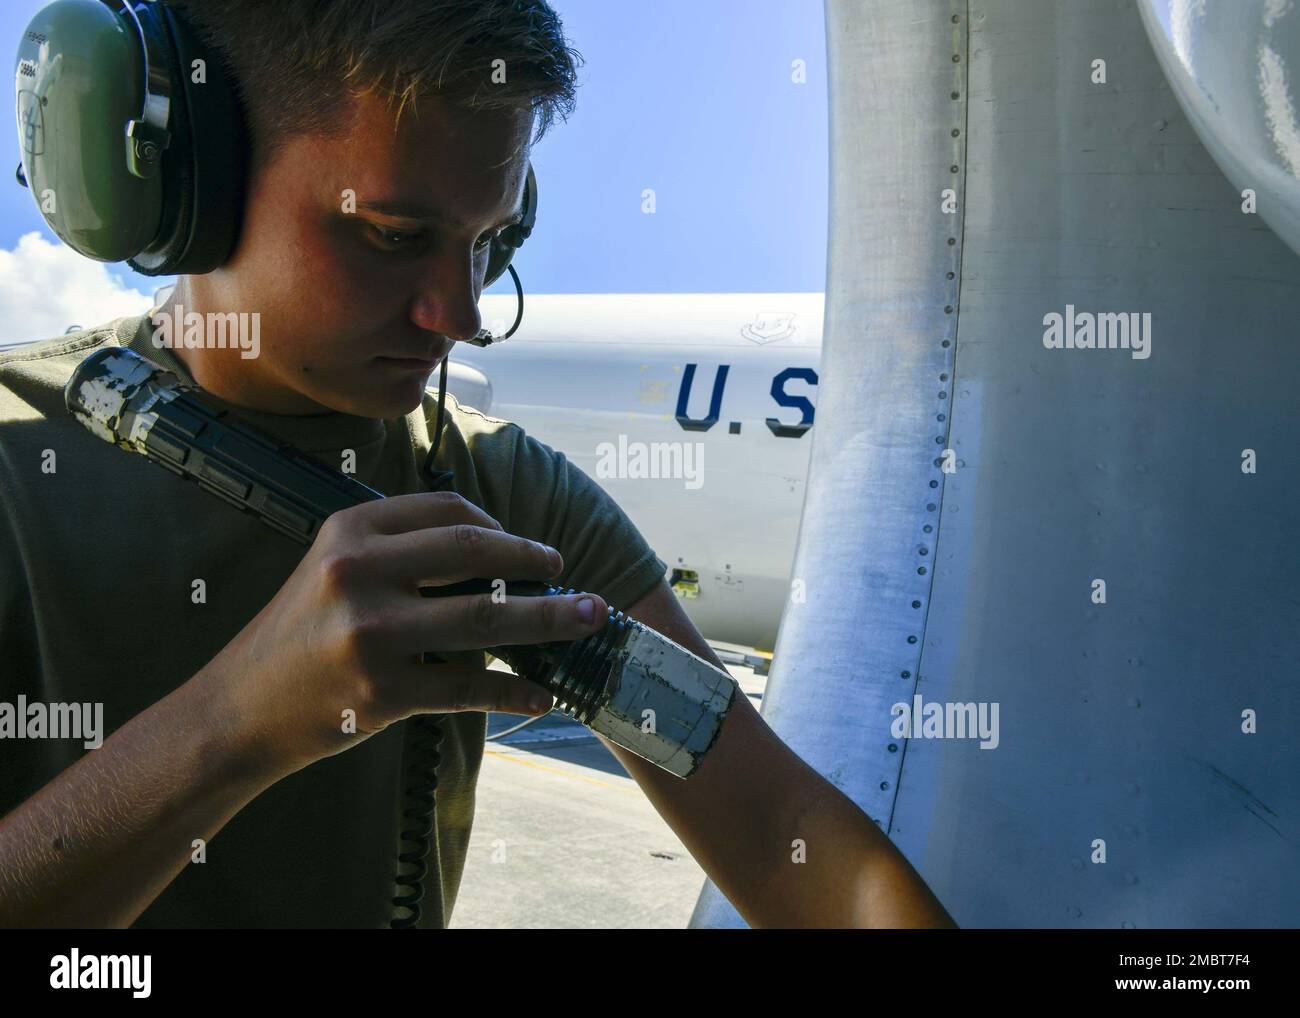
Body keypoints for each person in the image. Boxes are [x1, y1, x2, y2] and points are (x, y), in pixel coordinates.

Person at [0, 0, 954, 929]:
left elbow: (779, 826)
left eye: (492, 242)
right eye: (392, 236)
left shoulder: (507, 494)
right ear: (185, 187)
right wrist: (232, 728)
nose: (459, 316)